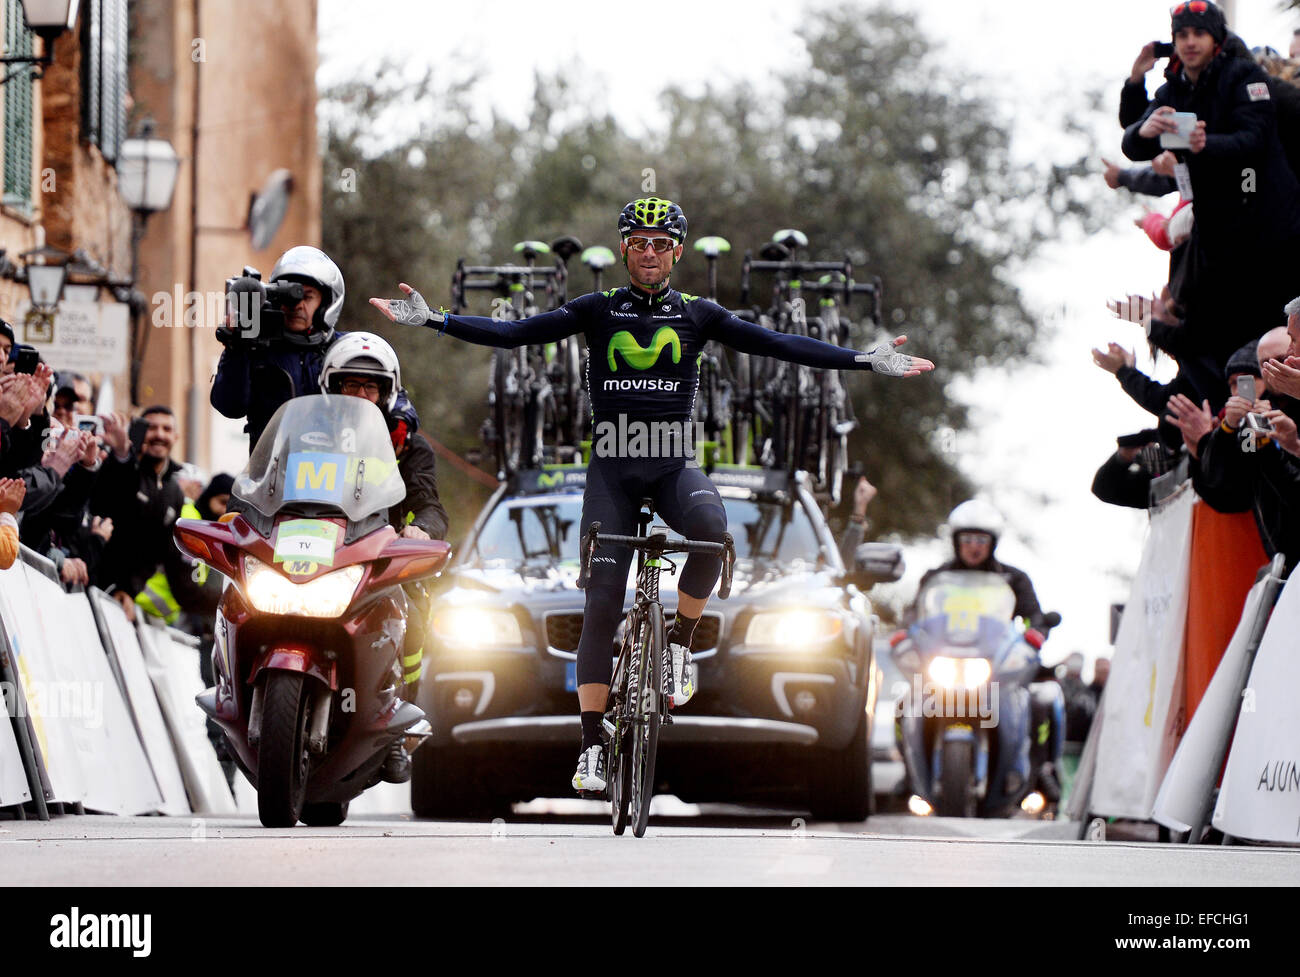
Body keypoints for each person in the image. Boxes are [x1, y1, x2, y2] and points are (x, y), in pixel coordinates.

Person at [369, 195, 935, 793]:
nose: (648, 253)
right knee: (602, 605)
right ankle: (591, 745)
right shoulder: (596, 309)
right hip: (612, 476)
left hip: (671, 471)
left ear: (677, 252)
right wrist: (433, 319)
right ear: (623, 249)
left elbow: (778, 346)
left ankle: (679, 647)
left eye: (660, 244)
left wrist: (863, 361)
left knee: (713, 533)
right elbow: (514, 334)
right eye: (638, 242)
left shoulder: (699, 313)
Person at [1123, 1, 1300, 388]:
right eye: (1181, 35)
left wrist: (1206, 145)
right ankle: (1239, 422)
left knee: (1279, 327)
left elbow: (1253, 139)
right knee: (1214, 340)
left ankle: (1273, 418)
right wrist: (1139, 98)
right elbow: (1133, 140)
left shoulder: (1247, 76)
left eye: (1198, 34)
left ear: (1216, 39)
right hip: (1221, 240)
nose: (1189, 43)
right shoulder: (1175, 89)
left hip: (1273, 229)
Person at [318, 331, 449, 783]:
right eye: (350, 385)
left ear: (385, 393)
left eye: (369, 387)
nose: (359, 395)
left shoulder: (409, 446)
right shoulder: (311, 435)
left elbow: (430, 504)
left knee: (411, 616)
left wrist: (421, 529)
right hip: (311, 549)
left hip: (373, 555)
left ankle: (399, 726)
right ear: (332, 389)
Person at [210, 245, 420, 453]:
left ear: (325, 302)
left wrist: (400, 418)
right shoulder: (256, 349)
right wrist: (236, 348)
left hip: (338, 473)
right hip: (271, 477)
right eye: (289, 296)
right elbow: (230, 406)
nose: (297, 305)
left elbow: (392, 391)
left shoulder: (347, 350)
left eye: (307, 296)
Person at [91, 406, 185, 621]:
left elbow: (157, 553)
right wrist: (114, 587)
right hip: (96, 586)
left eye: (166, 429)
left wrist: (129, 591)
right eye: (151, 427)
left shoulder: (175, 492)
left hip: (127, 601)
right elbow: (107, 508)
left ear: (176, 436)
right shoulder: (121, 468)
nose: (159, 434)